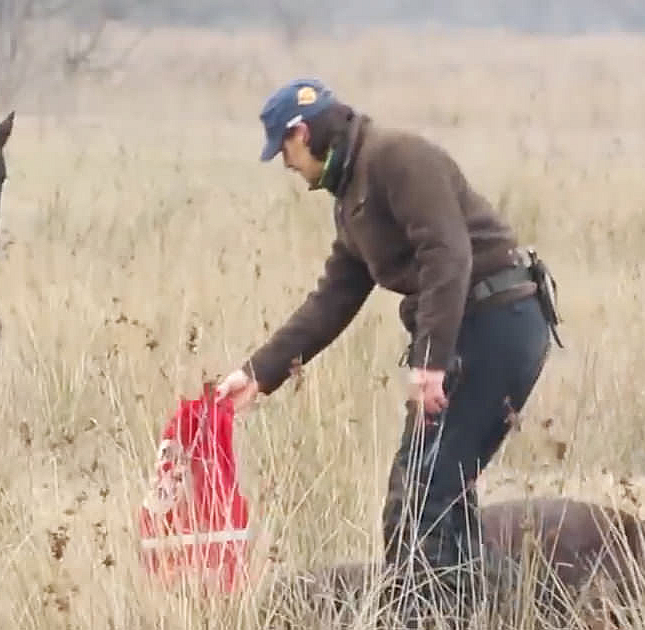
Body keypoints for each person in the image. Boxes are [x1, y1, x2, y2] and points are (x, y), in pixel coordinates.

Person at [215, 78, 561, 627]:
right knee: (431, 500)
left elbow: (448, 256)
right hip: (468, 333)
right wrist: (258, 373)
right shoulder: (353, 197)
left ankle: (509, 614)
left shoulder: (396, 158)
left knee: (422, 500)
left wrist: (432, 363)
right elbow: (333, 298)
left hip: (498, 325)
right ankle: (496, 613)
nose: (285, 165)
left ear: (301, 133)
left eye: (282, 151)